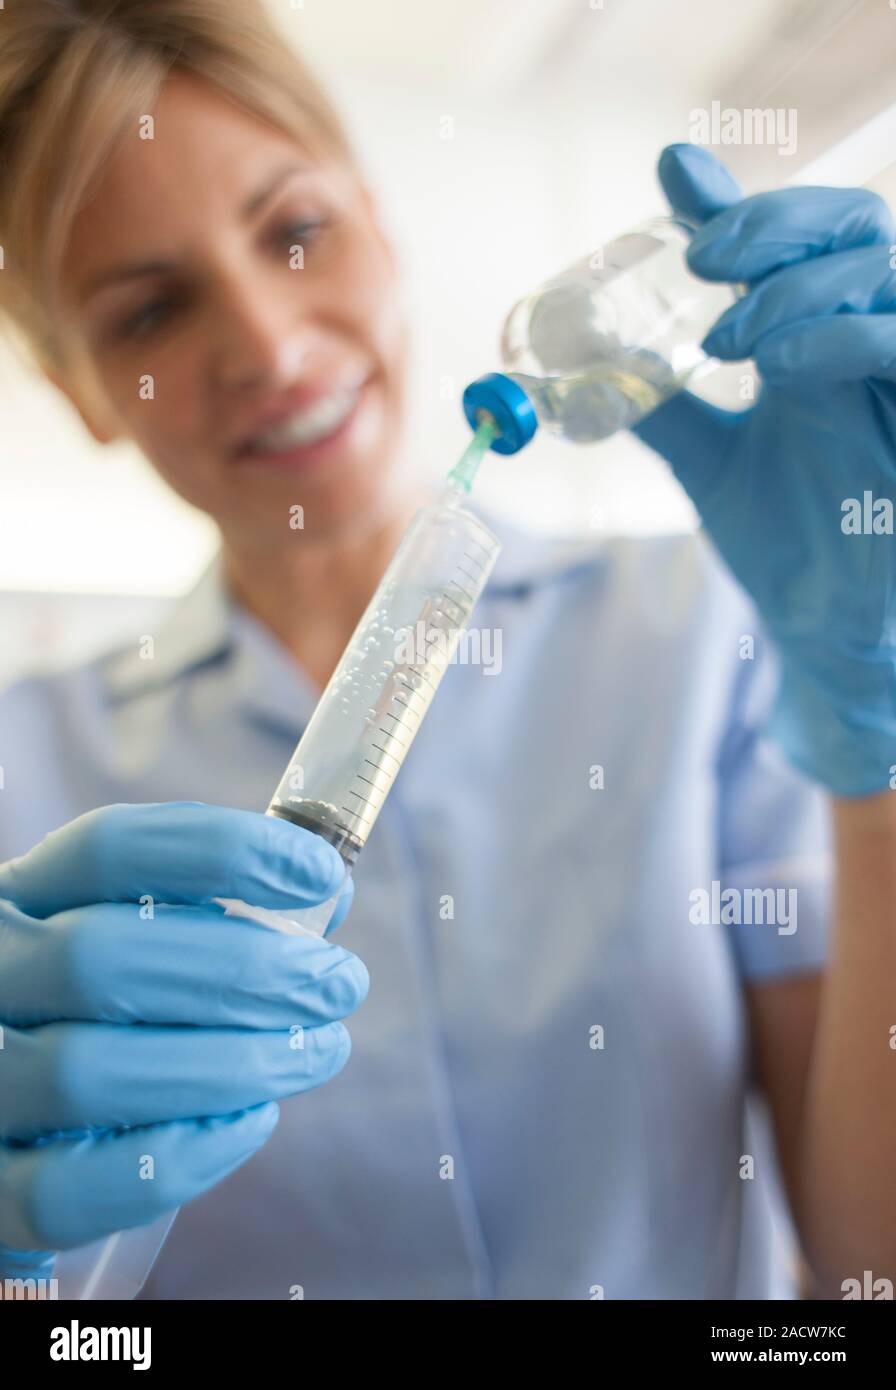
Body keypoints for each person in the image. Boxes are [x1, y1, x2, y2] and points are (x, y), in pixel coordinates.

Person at [1, 0, 894, 1302]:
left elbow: (872, 1264)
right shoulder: (25, 769)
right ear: (77, 386)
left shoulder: (704, 634)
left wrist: (881, 757)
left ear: (377, 218)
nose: (269, 343)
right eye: (149, 311)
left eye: (296, 231)